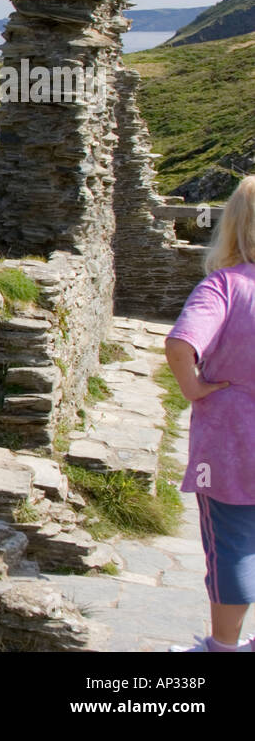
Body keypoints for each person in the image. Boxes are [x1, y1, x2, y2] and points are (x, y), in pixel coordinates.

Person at [166, 174, 255, 651]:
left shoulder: (225, 286)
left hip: (230, 446)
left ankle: (223, 647)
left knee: (232, 546)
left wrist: (194, 387)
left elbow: (181, 343)